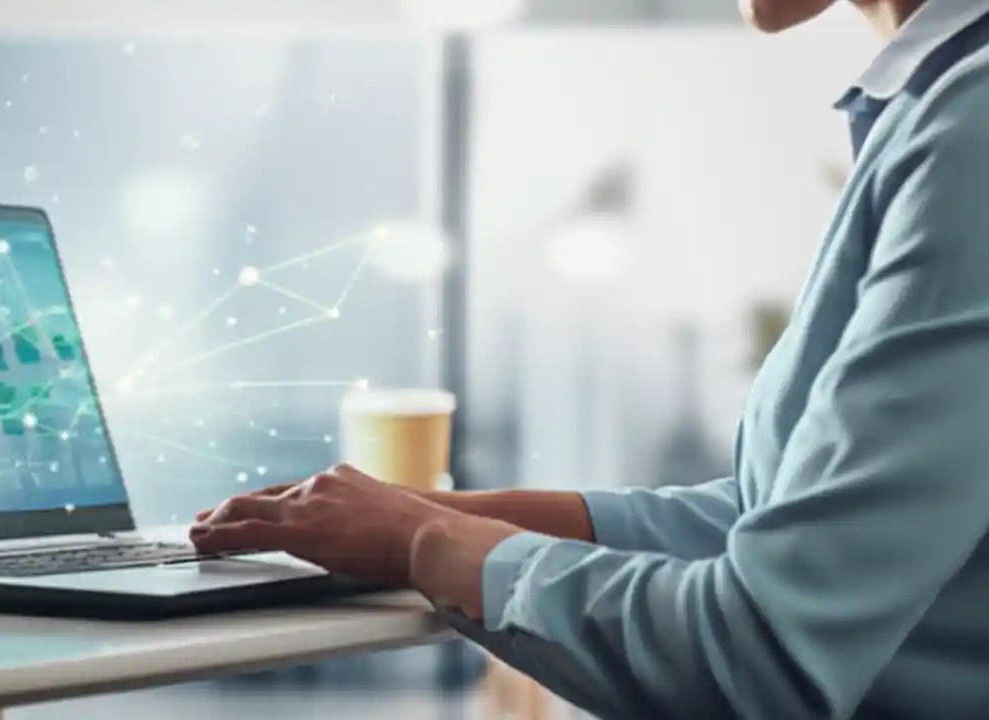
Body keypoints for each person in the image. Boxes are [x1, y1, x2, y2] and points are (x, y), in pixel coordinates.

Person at [192, 0, 989, 716]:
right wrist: (421, 513)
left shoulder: (971, 135)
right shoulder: (942, 107)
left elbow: (763, 654)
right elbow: (769, 517)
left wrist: (418, 544)